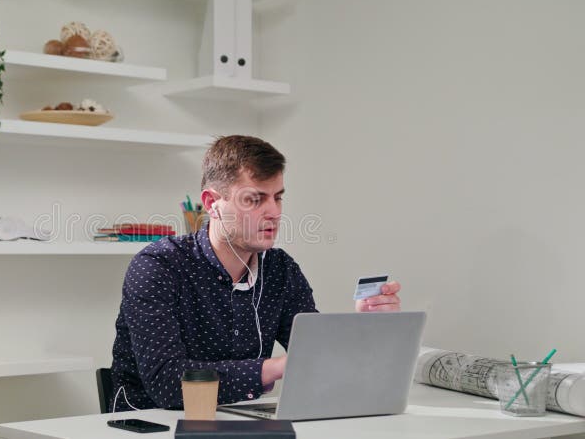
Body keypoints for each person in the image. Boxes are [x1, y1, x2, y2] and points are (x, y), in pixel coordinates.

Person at [109, 135, 401, 412]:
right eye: (254, 199)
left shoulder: (280, 269)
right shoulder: (157, 267)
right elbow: (168, 383)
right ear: (212, 204)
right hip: (152, 424)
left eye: (278, 197)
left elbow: (319, 359)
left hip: (239, 419)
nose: (273, 212)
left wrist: (367, 328)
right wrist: (280, 366)